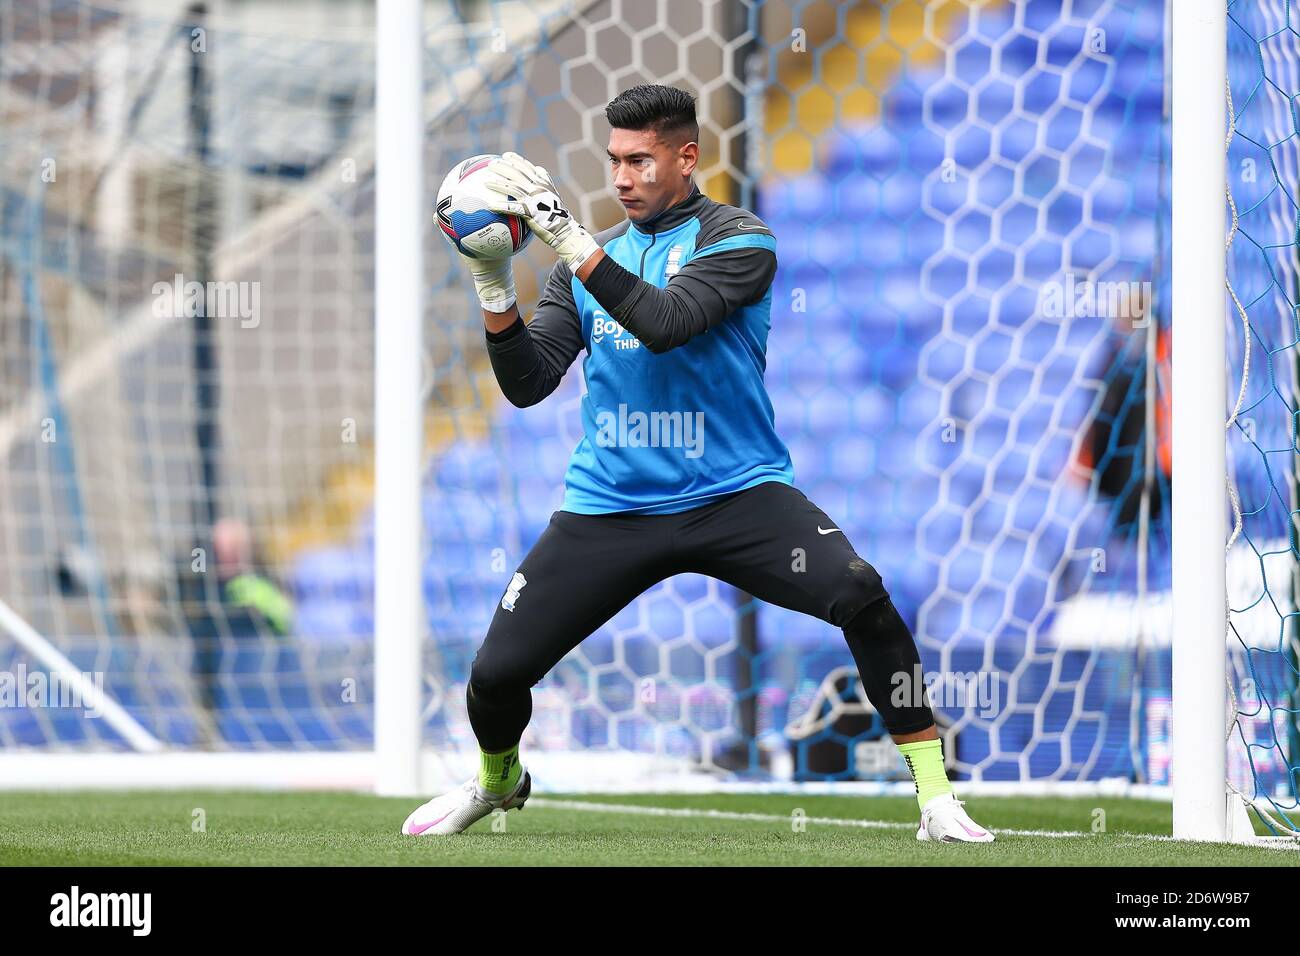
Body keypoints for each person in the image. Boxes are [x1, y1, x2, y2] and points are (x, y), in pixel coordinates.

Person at [403, 85, 993, 843]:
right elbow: (529, 383)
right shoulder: (581, 266)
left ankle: (937, 799)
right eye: (613, 160)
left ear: (687, 158)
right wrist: (493, 286)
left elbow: (666, 323)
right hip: (610, 506)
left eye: (639, 160)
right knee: (493, 679)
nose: (621, 177)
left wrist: (566, 234)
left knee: (860, 592)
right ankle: (497, 782)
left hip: (736, 496)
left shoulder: (742, 240)